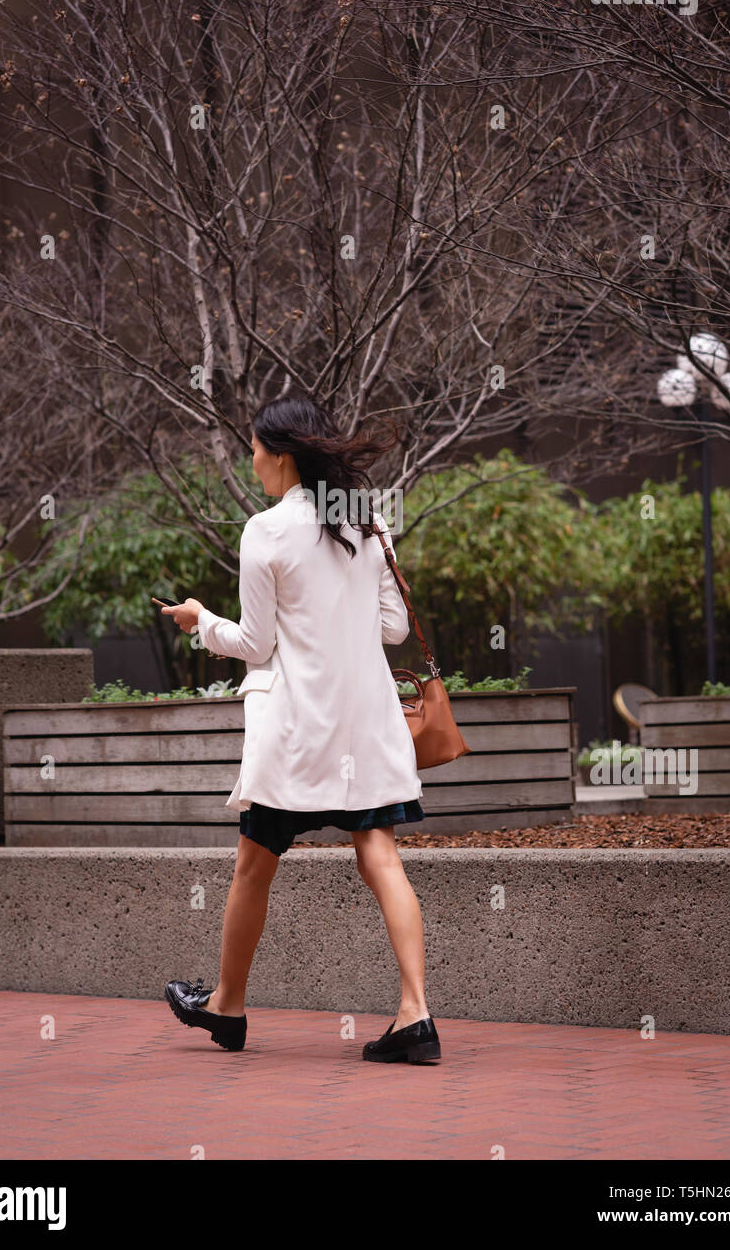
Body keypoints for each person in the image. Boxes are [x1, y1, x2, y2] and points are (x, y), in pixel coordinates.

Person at [162, 394, 441, 1065]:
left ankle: (227, 1007)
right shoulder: (364, 520)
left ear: (281, 454)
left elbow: (255, 643)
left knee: (252, 867)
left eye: (255, 449)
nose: (251, 460)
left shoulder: (265, 531)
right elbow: (393, 629)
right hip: (364, 723)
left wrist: (200, 620)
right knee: (380, 854)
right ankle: (415, 1014)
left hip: (295, 729)